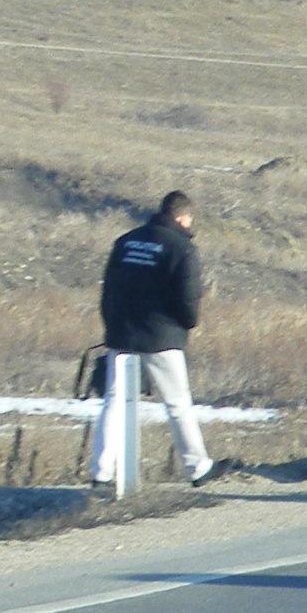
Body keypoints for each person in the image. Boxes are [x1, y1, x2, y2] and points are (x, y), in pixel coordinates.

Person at [99, 190, 217, 487]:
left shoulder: (126, 242)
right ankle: (198, 468)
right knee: (177, 404)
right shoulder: (182, 249)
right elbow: (188, 299)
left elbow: (108, 290)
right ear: (183, 217)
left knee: (114, 402)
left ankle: (101, 472)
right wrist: (187, 323)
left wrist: (112, 325)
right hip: (162, 338)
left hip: (122, 333)